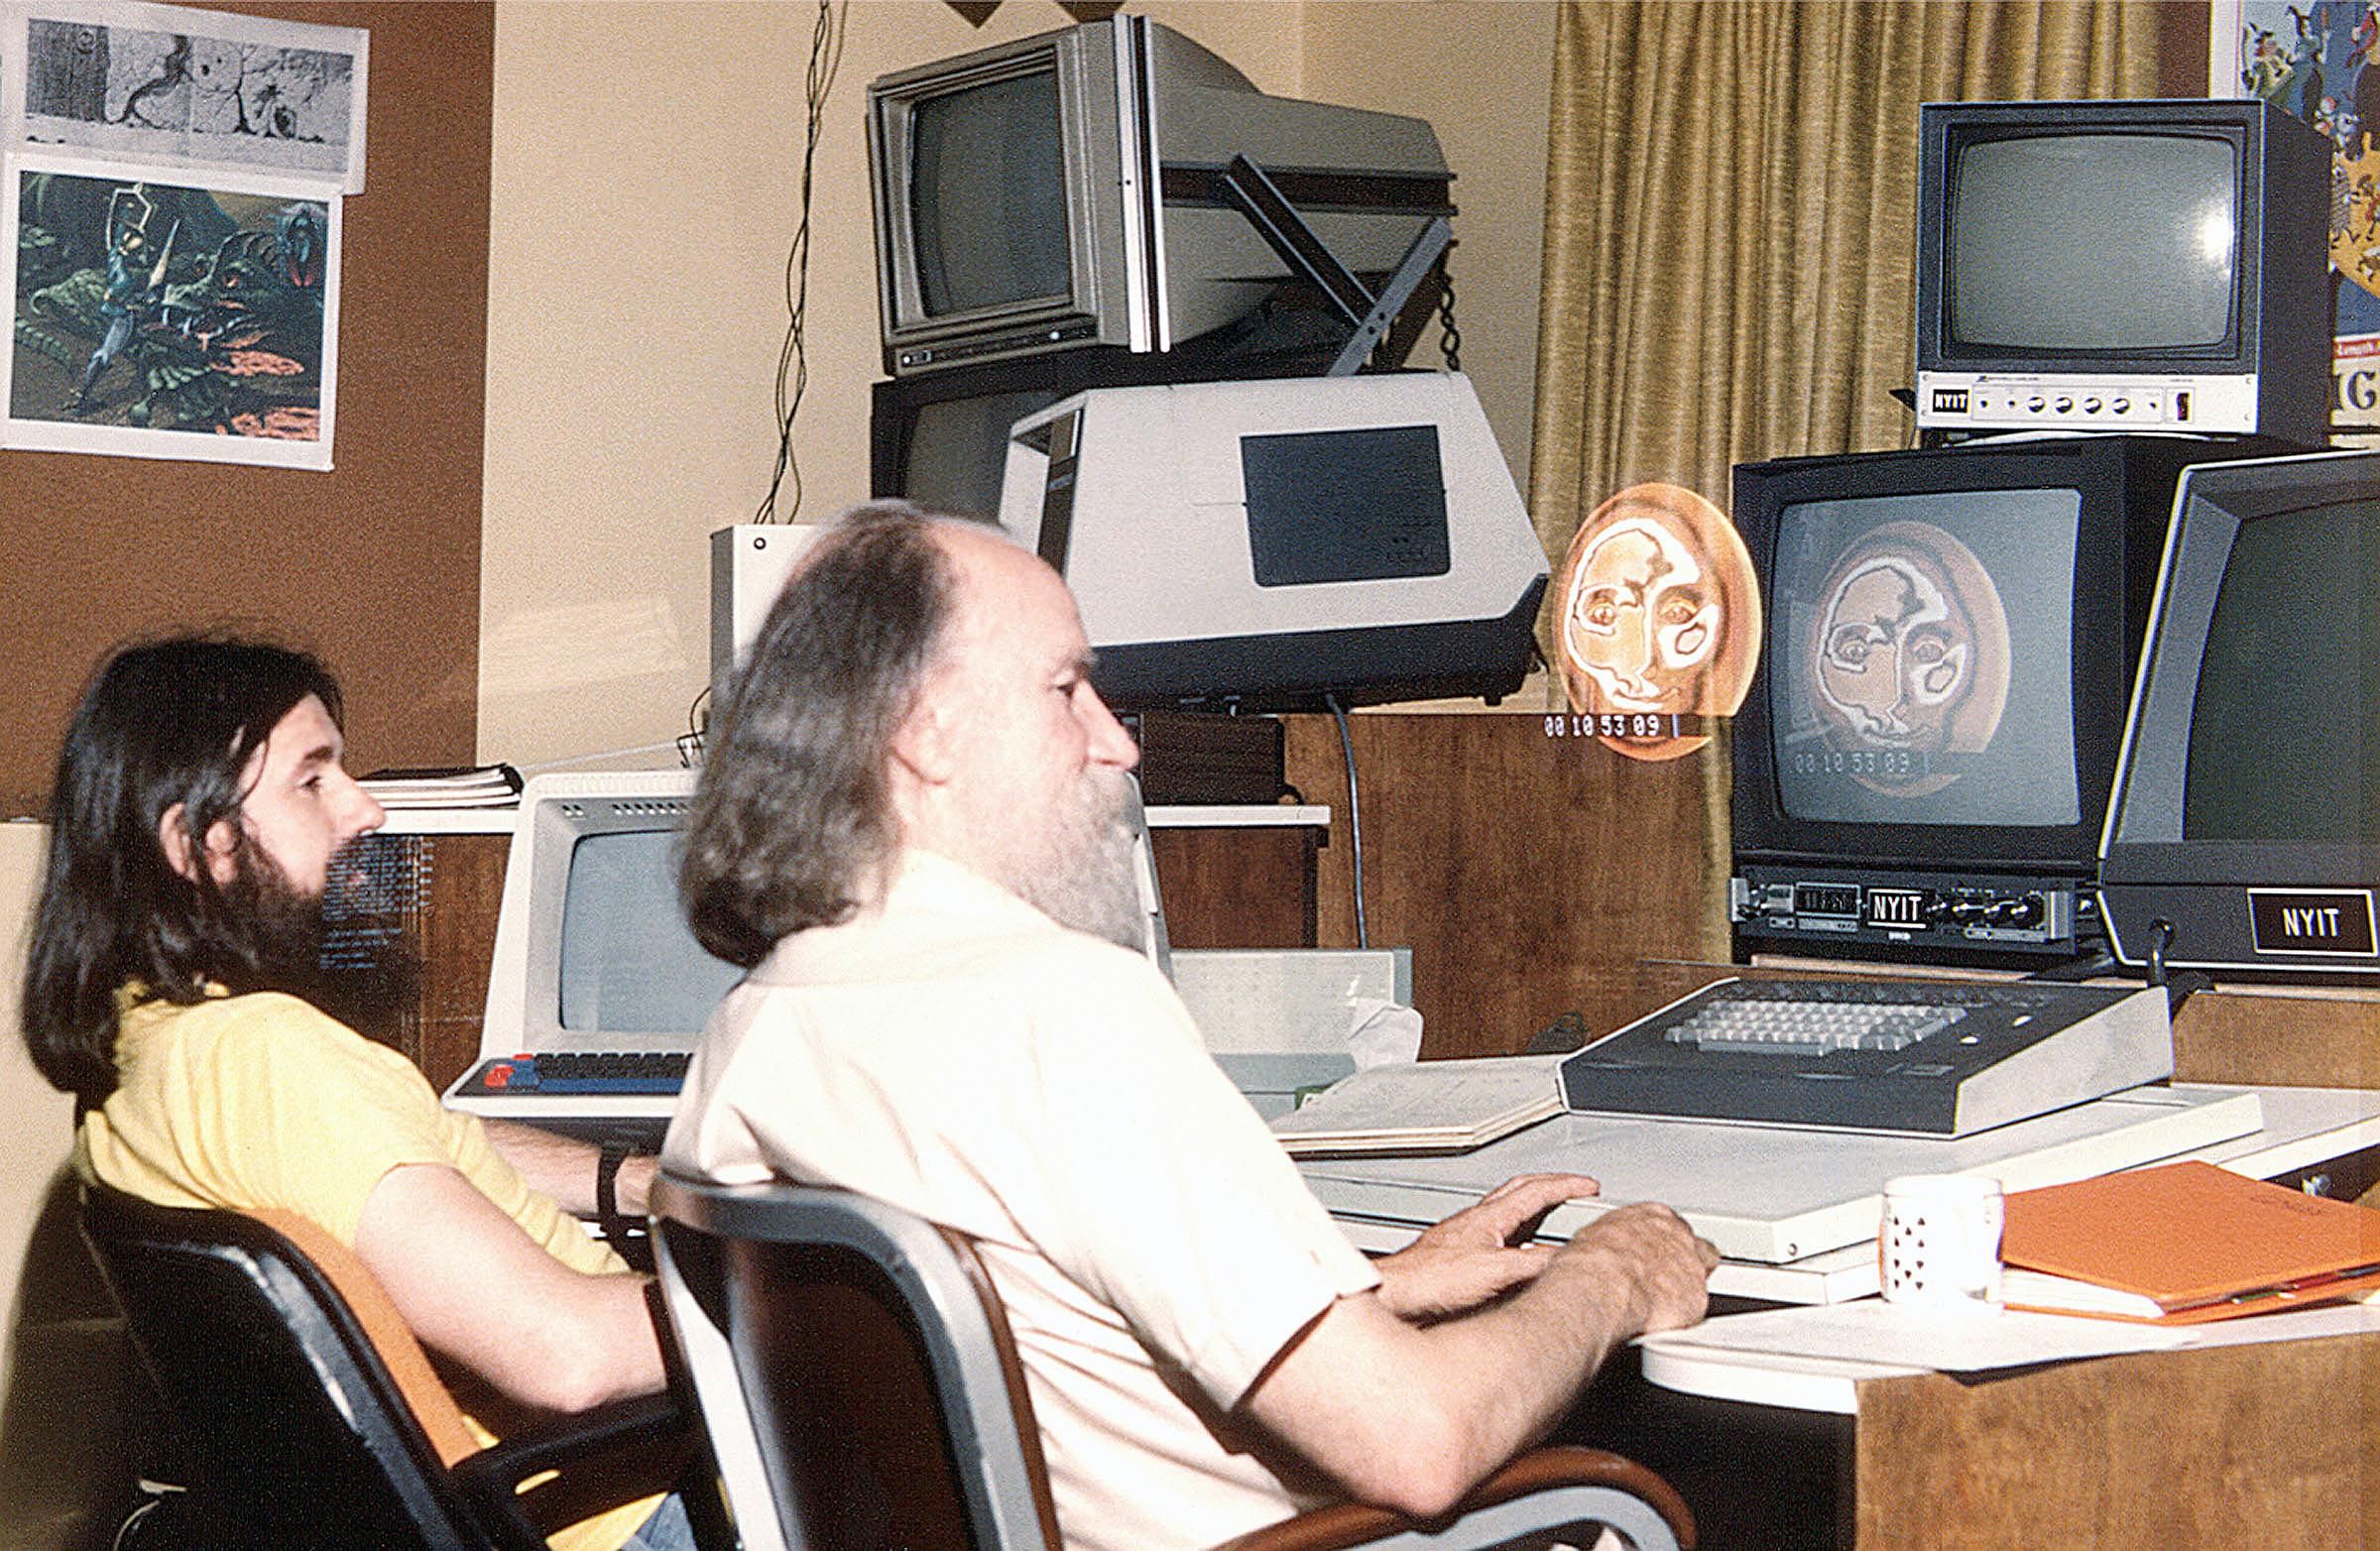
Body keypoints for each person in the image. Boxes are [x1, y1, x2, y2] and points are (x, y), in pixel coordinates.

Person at [665, 502, 1719, 1551]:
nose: (1117, 742)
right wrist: (1612, 1276)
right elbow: (1419, 1443)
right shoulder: (1059, 1007)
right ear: (924, 731)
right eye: (1065, 690)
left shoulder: (755, 1028)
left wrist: (1375, 1289)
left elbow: (1038, 1327)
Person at [19, 636, 695, 1551]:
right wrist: (792, 1302)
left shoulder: (153, 1043)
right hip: (629, 1506)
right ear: (200, 843)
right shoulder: (270, 1054)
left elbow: (409, 1139)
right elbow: (566, 1359)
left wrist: (630, 1180)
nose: (366, 808)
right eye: (313, 780)